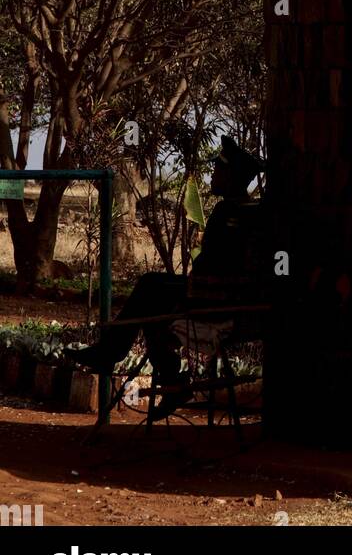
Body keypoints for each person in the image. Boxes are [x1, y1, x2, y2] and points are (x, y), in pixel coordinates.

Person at [67, 136, 264, 420]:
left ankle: (120, 355)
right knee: (152, 302)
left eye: (218, 170)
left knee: (150, 286)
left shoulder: (227, 214)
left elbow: (212, 265)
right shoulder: (254, 212)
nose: (212, 175)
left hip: (216, 300)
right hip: (228, 298)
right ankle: (163, 377)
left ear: (231, 176)